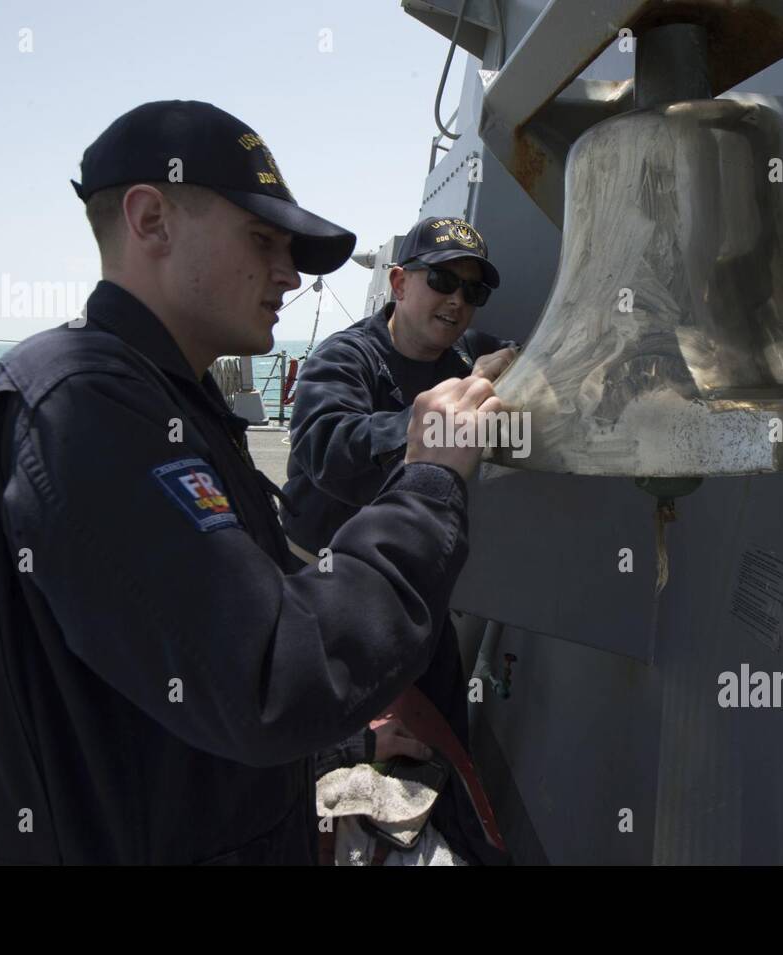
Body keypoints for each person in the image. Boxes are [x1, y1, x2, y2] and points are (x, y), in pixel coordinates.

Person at [0, 100, 500, 865]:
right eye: (262, 238)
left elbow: (187, 675)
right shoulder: (82, 409)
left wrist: (344, 743)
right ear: (150, 219)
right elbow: (273, 678)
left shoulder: (160, 400)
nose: (289, 273)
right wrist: (429, 476)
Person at [281, 215, 518, 864]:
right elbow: (328, 449)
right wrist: (430, 423)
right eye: (441, 279)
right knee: (336, 769)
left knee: (440, 745)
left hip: (415, 592)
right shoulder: (346, 358)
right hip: (325, 598)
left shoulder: (471, 358)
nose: (457, 301)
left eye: (473, 291)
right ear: (398, 281)